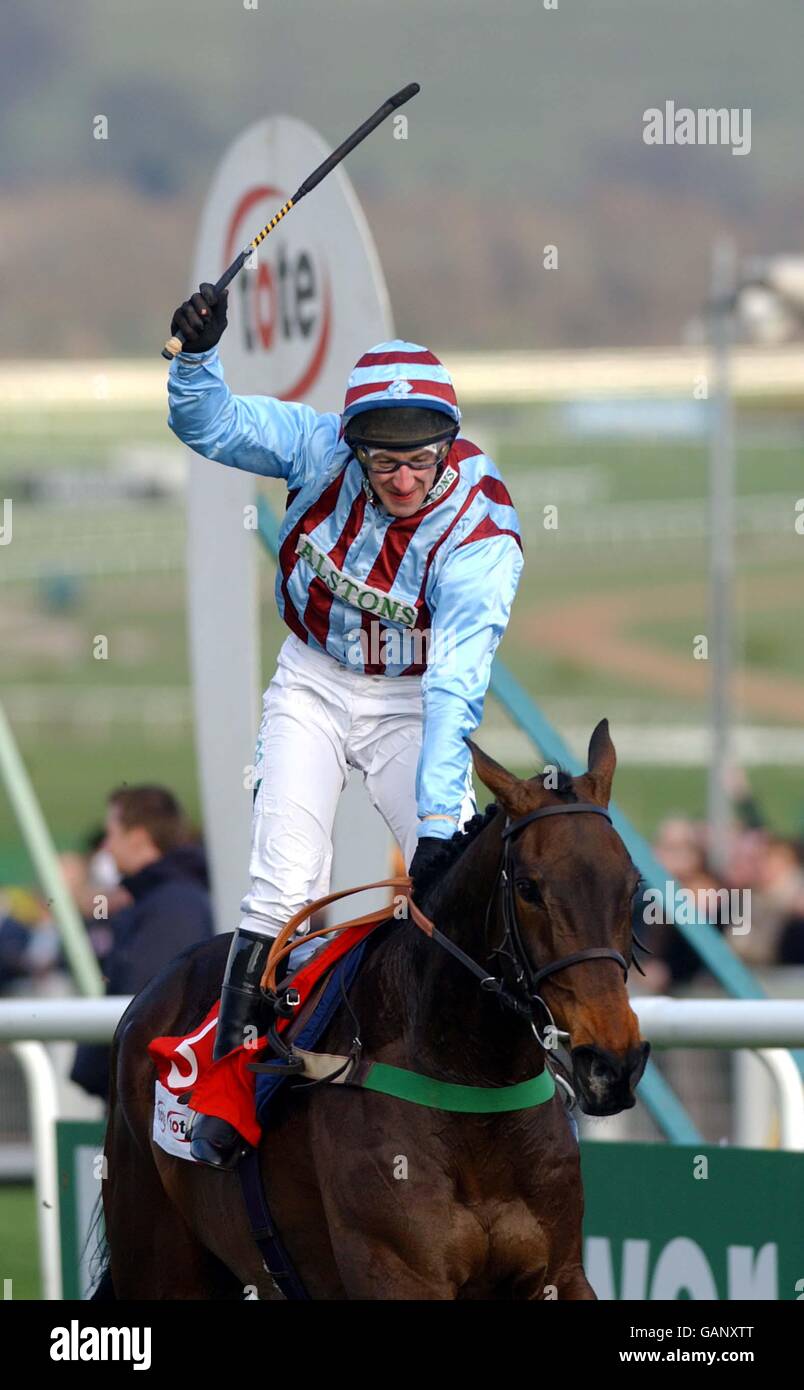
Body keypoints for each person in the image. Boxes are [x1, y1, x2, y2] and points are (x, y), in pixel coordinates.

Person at [167, 283, 524, 1166]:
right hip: (315, 684)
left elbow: (454, 690)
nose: (404, 480)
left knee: (462, 885)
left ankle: (516, 1075)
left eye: (423, 461)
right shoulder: (316, 444)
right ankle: (230, 1086)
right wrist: (195, 355)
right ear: (351, 445)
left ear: (451, 445)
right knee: (285, 883)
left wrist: (440, 823)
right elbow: (208, 425)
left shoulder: (481, 536)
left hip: (413, 700)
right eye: (383, 463)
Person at [71, 786, 213, 1100]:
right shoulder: (158, 899)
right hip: (147, 1095)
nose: (106, 847)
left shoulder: (173, 905)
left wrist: (95, 1070)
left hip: (153, 1100)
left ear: (137, 838)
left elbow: (147, 1010)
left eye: (112, 834)